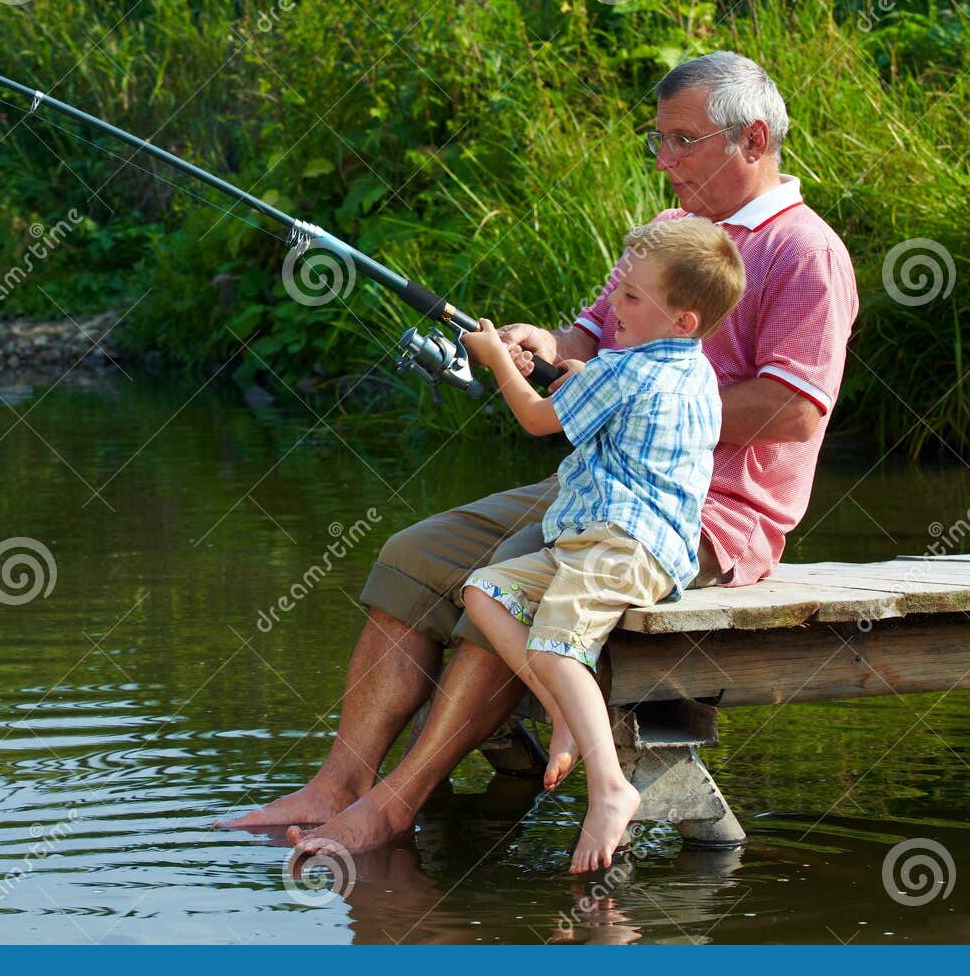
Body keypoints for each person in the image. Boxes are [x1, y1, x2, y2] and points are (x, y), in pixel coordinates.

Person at [217, 50, 860, 854]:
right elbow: (590, 335)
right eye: (658, 140)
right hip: (596, 487)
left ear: (753, 140)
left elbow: (796, 411)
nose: (664, 160)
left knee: (512, 578)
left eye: (683, 141)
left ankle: (394, 804)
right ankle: (338, 783)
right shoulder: (670, 234)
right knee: (411, 556)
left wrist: (638, 405)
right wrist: (540, 345)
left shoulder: (805, 253)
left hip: (703, 518)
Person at [457, 215, 745, 872]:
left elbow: (537, 419)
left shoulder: (620, 372)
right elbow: (629, 406)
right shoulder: (695, 371)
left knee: (554, 645)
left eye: (633, 296)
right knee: (485, 591)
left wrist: (498, 360)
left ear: (683, 319)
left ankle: (610, 787)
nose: (615, 302)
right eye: (620, 288)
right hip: (635, 550)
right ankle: (564, 711)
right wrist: (584, 376)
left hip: (620, 544)